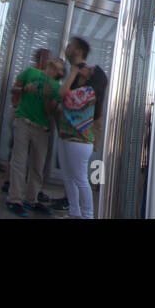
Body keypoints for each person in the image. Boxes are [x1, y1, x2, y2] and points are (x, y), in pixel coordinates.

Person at [5, 47, 59, 216]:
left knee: (37, 165)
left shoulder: (55, 85)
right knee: (19, 162)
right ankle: (14, 199)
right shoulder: (29, 72)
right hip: (24, 121)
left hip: (42, 128)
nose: (50, 62)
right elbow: (13, 89)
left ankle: (31, 200)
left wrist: (49, 98)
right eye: (49, 59)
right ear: (42, 59)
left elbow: (51, 112)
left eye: (53, 60)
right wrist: (23, 90)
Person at [53, 55, 98, 218]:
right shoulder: (74, 90)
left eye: (87, 68)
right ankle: (74, 212)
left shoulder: (89, 92)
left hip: (80, 141)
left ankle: (87, 215)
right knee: (68, 178)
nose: (83, 67)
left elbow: (61, 94)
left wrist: (72, 72)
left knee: (80, 179)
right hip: (66, 138)